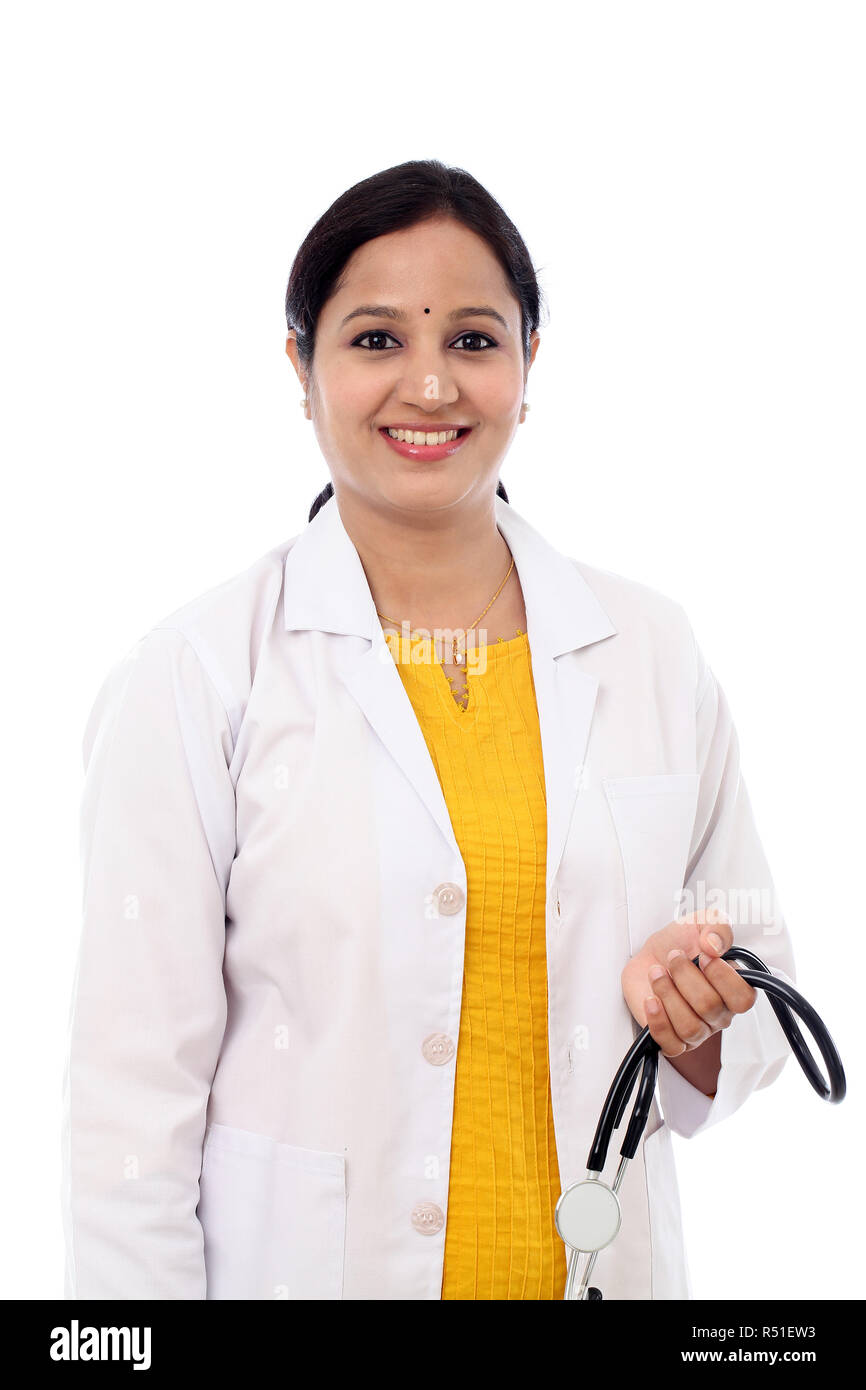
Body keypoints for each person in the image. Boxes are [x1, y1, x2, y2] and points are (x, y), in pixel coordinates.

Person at [61, 158, 795, 1301]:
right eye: (372, 341)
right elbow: (129, 1100)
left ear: (526, 365)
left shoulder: (650, 649)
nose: (429, 385)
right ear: (299, 368)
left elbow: (752, 995)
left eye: (470, 339)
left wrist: (694, 1011)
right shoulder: (199, 674)